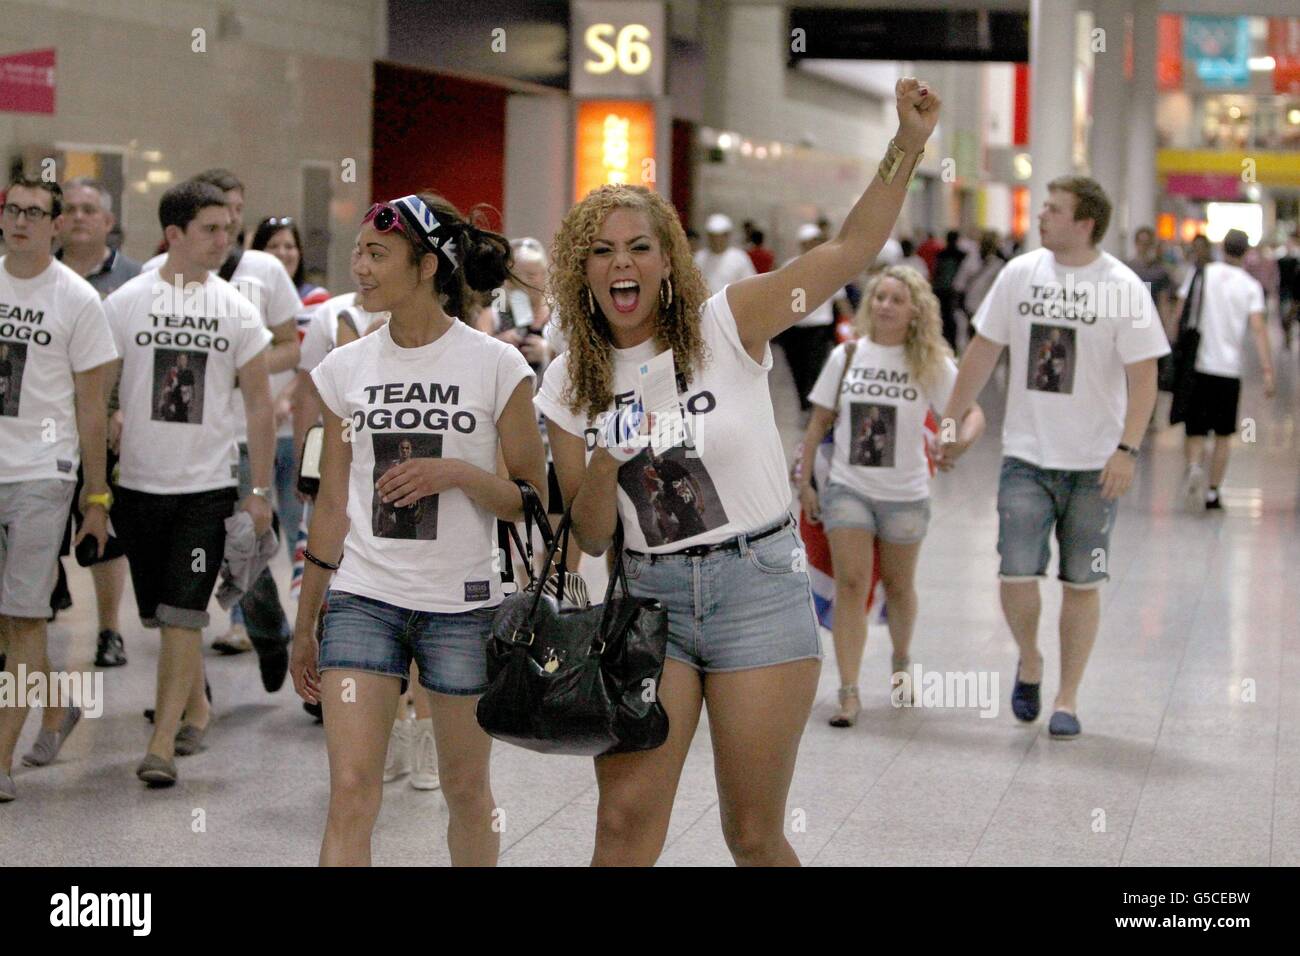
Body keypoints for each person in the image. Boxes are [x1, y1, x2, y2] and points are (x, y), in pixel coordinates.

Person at [536, 77, 941, 865]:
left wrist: (908, 144)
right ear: (580, 271)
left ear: (667, 260)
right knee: (622, 826)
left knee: (751, 835)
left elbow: (848, 250)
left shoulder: (728, 324)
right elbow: (586, 534)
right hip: (648, 604)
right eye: (603, 250)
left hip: (757, 586)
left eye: (639, 247)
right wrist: (607, 455)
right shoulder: (565, 384)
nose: (622, 263)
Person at [289, 192, 546, 866]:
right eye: (357, 253)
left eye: (377, 254)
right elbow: (332, 505)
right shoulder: (344, 370)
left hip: (461, 608)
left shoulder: (496, 365)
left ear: (427, 264)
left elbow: (531, 499)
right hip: (362, 601)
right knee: (350, 792)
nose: (361, 268)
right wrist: (305, 619)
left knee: (465, 788)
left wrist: (454, 473)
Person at [940, 175, 1169, 740]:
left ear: (1085, 222)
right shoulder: (1020, 274)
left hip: (1096, 464)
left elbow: (1145, 377)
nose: (1041, 215)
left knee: (1082, 582)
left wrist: (1128, 449)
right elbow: (983, 351)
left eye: (1054, 209)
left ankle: (1067, 697)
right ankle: (1030, 660)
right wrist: (949, 420)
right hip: (1027, 454)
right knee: (1015, 571)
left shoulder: (1122, 286)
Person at [103, 179, 276, 786]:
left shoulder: (237, 310)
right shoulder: (125, 302)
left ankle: (160, 745)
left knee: (183, 615)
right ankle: (197, 707)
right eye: (210, 229)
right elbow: (98, 387)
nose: (223, 238)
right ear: (174, 234)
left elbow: (259, 404)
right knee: (156, 614)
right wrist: (108, 424)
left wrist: (258, 492)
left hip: (205, 490)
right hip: (139, 488)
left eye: (228, 228)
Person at [799, 265, 983, 727]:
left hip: (905, 492)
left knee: (899, 587)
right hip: (848, 488)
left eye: (896, 299)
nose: (884, 305)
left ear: (915, 311)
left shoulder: (931, 363)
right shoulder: (847, 356)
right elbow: (819, 421)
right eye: (879, 297)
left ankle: (901, 664)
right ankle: (849, 691)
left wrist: (954, 441)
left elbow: (968, 412)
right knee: (852, 586)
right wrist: (804, 481)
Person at [145, 170, 301, 672]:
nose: (230, 221)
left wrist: (240, 374)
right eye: (218, 212)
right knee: (186, 563)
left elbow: (290, 345)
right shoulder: (155, 275)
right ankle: (192, 693)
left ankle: (267, 629)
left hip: (242, 433)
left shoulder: (263, 269)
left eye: (236, 209)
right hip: (180, 437)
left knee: (245, 546)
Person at [0, 177, 117, 802]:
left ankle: (2, 758)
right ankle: (55, 707)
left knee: (24, 615)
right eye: (12, 209)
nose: (22, 221)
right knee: (5, 619)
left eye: (35, 213)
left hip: (44, 473)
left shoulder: (76, 300)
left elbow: (92, 408)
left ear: (53, 226)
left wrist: (96, 498)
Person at [56, 176, 142, 668]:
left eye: (90, 209)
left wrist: (121, 408)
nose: (80, 216)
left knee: (102, 531)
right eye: (70, 208)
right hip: (43, 429)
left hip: (106, 426)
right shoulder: (36, 275)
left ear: (108, 222)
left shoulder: (132, 279)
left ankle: (110, 631)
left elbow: (140, 357)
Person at [1171, 229, 1275, 511]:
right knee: (1223, 434)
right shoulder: (1250, 287)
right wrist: (1267, 370)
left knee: (1195, 428)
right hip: (1229, 370)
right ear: (1246, 252)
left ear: (1223, 248)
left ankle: (1194, 466)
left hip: (1198, 366)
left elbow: (1180, 313)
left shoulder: (1201, 273)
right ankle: (1214, 492)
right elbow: (1258, 328)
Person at [773, 223, 850, 415]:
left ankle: (814, 409)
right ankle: (804, 404)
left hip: (819, 327)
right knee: (798, 368)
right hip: (794, 328)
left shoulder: (828, 266)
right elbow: (778, 295)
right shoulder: (790, 266)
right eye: (807, 242)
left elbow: (840, 298)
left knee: (815, 368)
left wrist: (853, 322)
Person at [693, 213, 756, 294]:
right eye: (713, 236)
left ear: (727, 236)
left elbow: (749, 285)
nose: (716, 240)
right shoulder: (699, 258)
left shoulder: (739, 258)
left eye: (720, 236)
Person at [931, 230, 966, 349]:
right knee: (952, 317)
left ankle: (945, 340)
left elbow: (936, 272)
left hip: (940, 289)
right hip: (953, 291)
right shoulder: (961, 255)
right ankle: (952, 343)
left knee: (944, 316)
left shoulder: (941, 254)